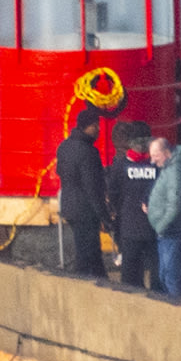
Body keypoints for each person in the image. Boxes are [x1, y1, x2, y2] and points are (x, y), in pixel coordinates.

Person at [56, 107, 111, 278]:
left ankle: (100, 282)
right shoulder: (89, 152)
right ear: (88, 127)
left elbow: (59, 171)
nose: (99, 131)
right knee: (88, 255)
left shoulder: (64, 146)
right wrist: (104, 216)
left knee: (88, 252)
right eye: (96, 127)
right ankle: (88, 285)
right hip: (85, 211)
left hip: (69, 206)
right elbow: (92, 188)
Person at [112, 121, 161, 289]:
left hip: (129, 226)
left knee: (130, 277)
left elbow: (113, 195)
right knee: (157, 272)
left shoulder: (120, 165)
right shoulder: (157, 165)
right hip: (154, 226)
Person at [148, 135, 181, 300]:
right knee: (166, 276)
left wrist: (160, 225)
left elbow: (175, 205)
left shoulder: (175, 171)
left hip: (173, 232)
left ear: (166, 152)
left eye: (155, 156)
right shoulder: (171, 168)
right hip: (169, 232)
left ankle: (179, 312)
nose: (153, 161)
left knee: (171, 277)